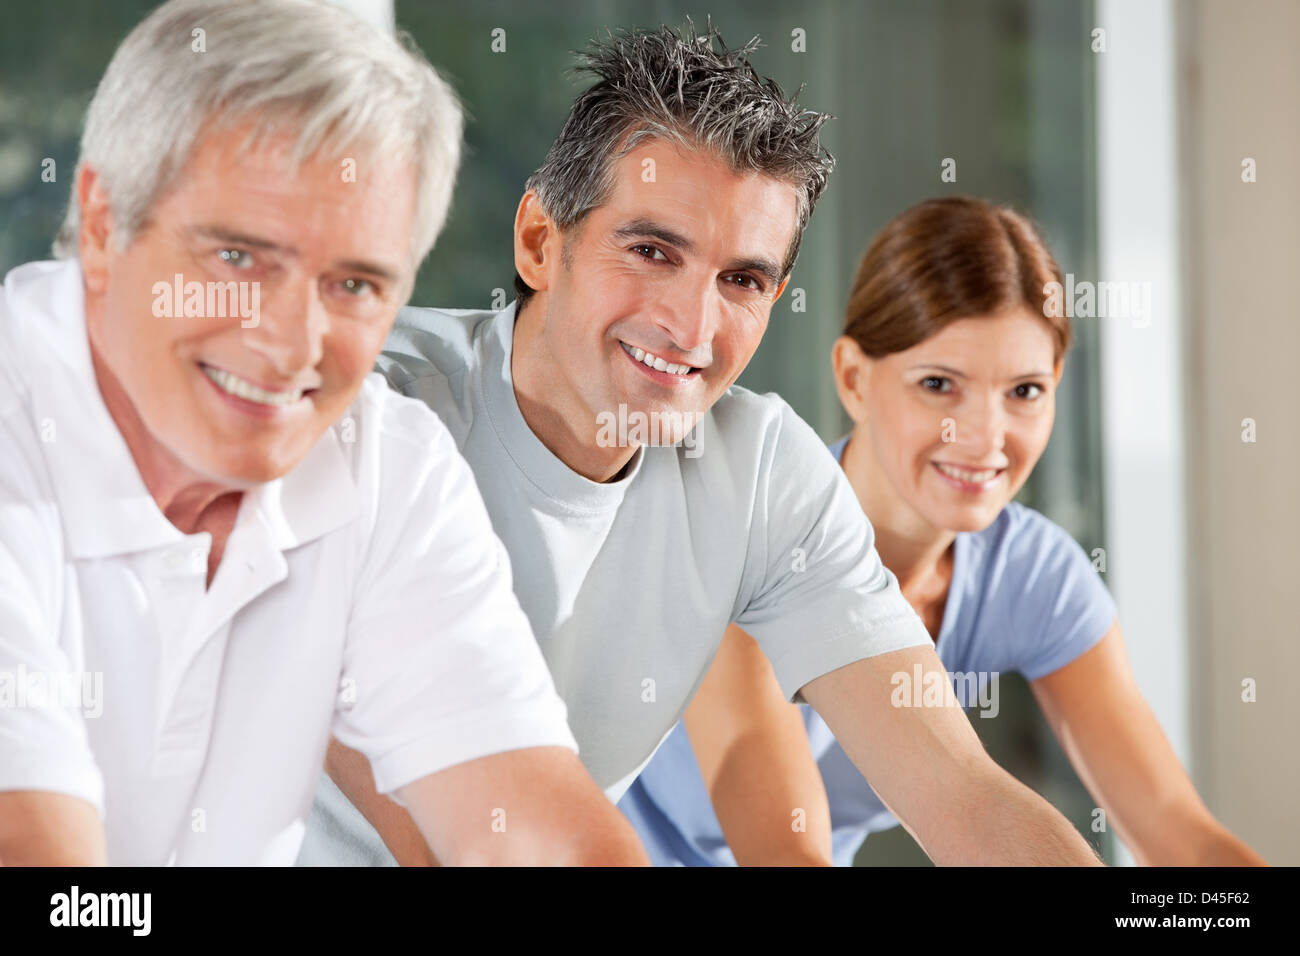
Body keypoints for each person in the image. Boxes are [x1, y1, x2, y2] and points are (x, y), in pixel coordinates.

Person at [301, 26, 1102, 867]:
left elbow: (963, 794)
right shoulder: (365, 406)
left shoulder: (760, 477)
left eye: (742, 280)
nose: (692, 327)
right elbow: (449, 832)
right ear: (540, 241)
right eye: (652, 252)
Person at [0, 0, 647, 866]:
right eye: (237, 258)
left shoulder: (385, 465)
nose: (291, 344)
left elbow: (539, 836)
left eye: (354, 285)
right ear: (101, 224)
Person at [618, 196, 1269, 866]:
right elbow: (785, 854)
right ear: (853, 378)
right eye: (938, 384)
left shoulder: (1034, 576)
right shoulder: (758, 538)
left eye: (1024, 391)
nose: (985, 436)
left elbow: (1177, 833)